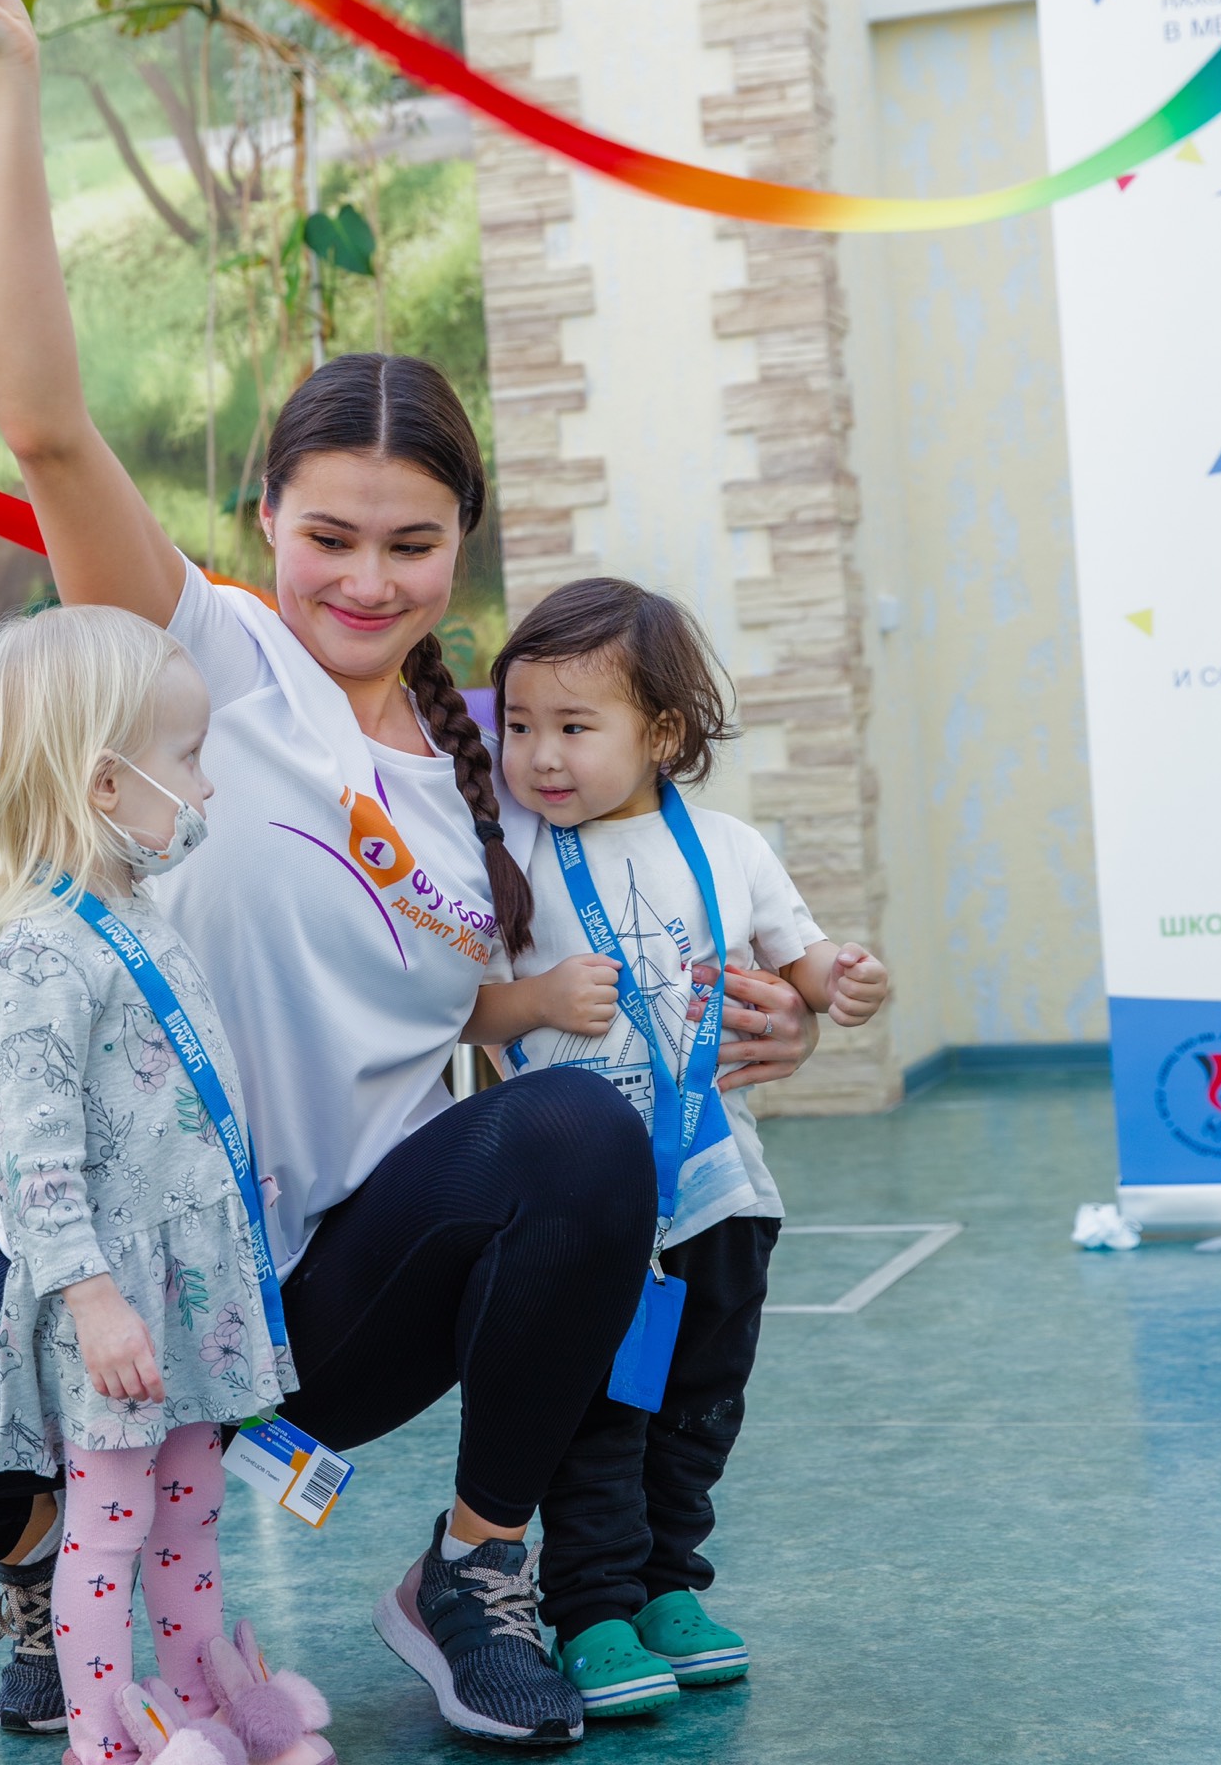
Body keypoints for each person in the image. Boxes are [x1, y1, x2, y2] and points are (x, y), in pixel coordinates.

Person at [0, 0, 821, 1749]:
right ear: (263, 521)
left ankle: (471, 1564)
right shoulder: (197, 656)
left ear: (461, 548)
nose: (363, 578)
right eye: (326, 535)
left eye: (409, 543)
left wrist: (762, 1014)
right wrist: (16, 80)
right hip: (86, 1281)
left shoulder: (494, 797)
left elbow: (579, 1021)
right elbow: (43, 425)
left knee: (576, 1150)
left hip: (309, 1305)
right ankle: (65, 1540)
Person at [467, 577, 890, 1716]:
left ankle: (665, 1584)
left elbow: (803, 965)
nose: (540, 756)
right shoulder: (502, 847)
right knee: (597, 1409)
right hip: (584, 1204)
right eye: (518, 725)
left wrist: (843, 980)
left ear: (660, 733)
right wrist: (533, 996)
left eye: (573, 726)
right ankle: (591, 1604)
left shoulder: (731, 844)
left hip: (716, 1189)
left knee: (700, 1397)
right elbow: (456, 1009)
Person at [0, 603, 302, 1762]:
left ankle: (200, 1691)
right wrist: (92, 1298)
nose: (204, 786)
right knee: (109, 1519)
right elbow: (35, 1159)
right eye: (188, 759)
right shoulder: (43, 954)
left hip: (189, 1279)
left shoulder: (140, 918)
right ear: (107, 785)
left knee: (193, 1507)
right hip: (117, 1297)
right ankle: (105, 1726)